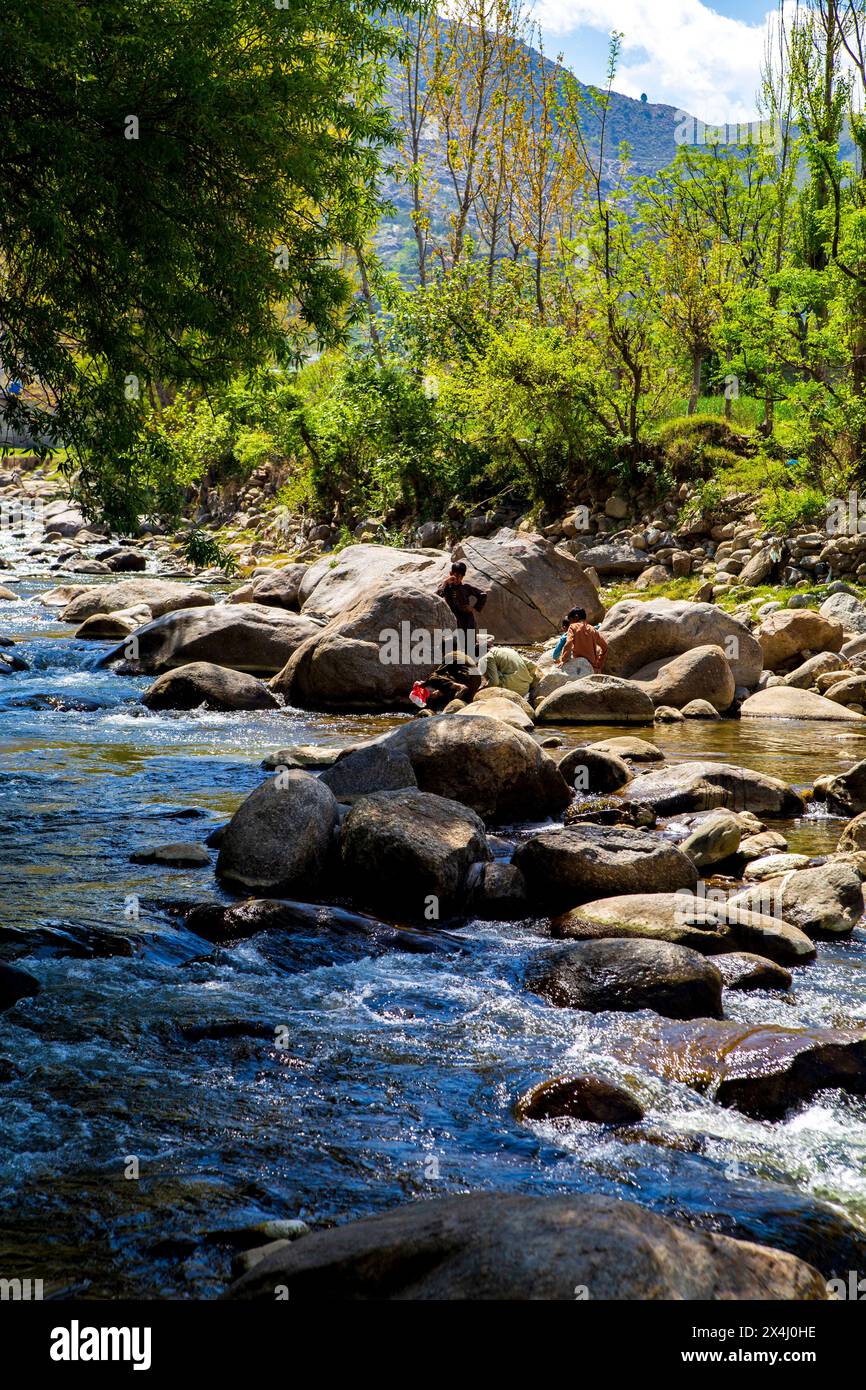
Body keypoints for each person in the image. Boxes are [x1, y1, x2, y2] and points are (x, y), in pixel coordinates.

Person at [436, 562, 487, 638]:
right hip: (452, 617)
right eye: (456, 575)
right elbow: (436, 596)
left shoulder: (466, 587)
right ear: (451, 574)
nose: (458, 579)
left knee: (469, 644)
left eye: (461, 576)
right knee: (453, 644)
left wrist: (473, 608)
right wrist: (445, 582)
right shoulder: (446, 587)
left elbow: (483, 595)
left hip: (467, 619)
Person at [556, 608, 608, 673]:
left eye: (571, 620)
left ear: (576, 617)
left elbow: (569, 642)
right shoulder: (592, 629)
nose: (570, 623)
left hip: (578, 664)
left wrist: (564, 659)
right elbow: (605, 647)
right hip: (592, 666)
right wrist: (599, 664)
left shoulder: (573, 627)